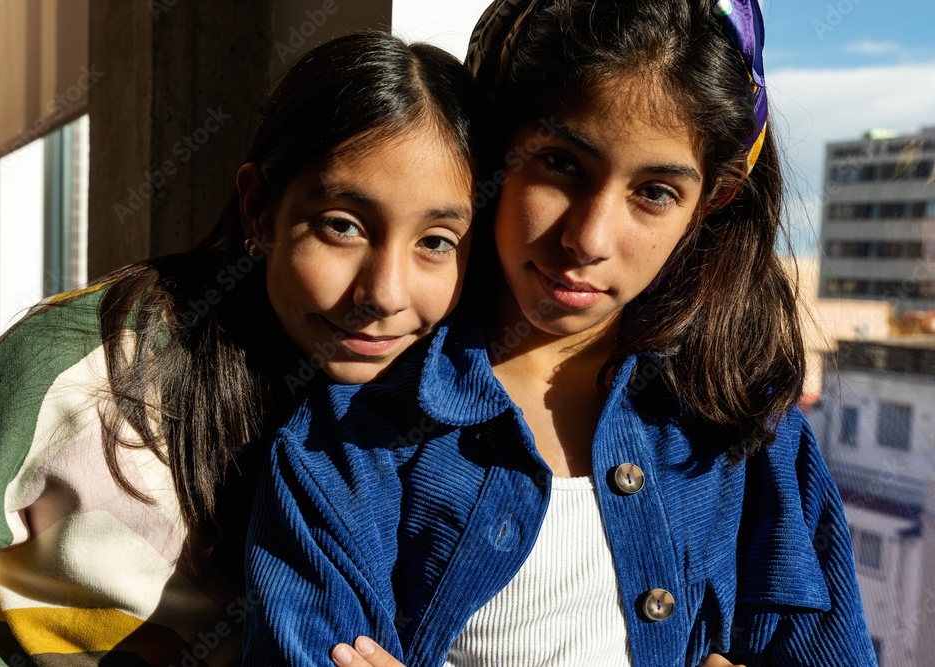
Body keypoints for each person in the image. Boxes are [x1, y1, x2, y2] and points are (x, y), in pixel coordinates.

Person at [243, 1, 878, 666]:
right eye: (561, 163)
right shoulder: (352, 440)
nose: (588, 239)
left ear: (709, 203)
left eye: (655, 192)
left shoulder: (746, 430)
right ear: (495, 147)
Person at [0, 31, 489, 666]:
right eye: (343, 225)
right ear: (259, 210)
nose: (386, 293)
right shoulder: (72, 366)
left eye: (437, 241)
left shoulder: (450, 418)